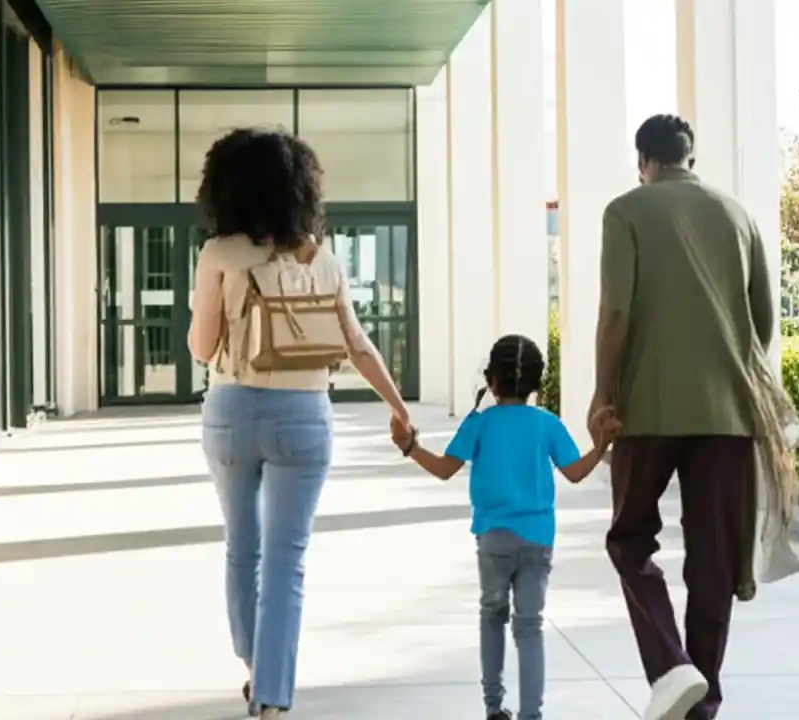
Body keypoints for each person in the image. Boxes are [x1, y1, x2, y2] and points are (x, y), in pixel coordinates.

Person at [187, 128, 411, 719]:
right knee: (288, 555)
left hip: (233, 411)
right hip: (304, 416)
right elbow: (358, 346)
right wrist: (398, 407)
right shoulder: (323, 258)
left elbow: (202, 348)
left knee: (243, 547)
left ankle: (254, 662)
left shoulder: (219, 254)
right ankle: (273, 696)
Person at [591, 114, 776, 720]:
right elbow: (762, 323)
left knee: (629, 539)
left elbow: (615, 314)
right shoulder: (737, 216)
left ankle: (671, 668)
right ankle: (704, 699)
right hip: (727, 414)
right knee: (714, 559)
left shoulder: (627, 211)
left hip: (648, 409)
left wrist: (603, 395)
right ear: (690, 160)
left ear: (644, 160)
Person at [391, 335, 620, 720]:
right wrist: (600, 447)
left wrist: (409, 446)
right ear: (536, 382)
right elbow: (576, 473)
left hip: (494, 539)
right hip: (538, 540)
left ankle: (494, 707)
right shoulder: (547, 424)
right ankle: (532, 715)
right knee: (529, 627)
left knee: (492, 616)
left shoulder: (479, 424)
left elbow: (445, 469)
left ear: (490, 379)